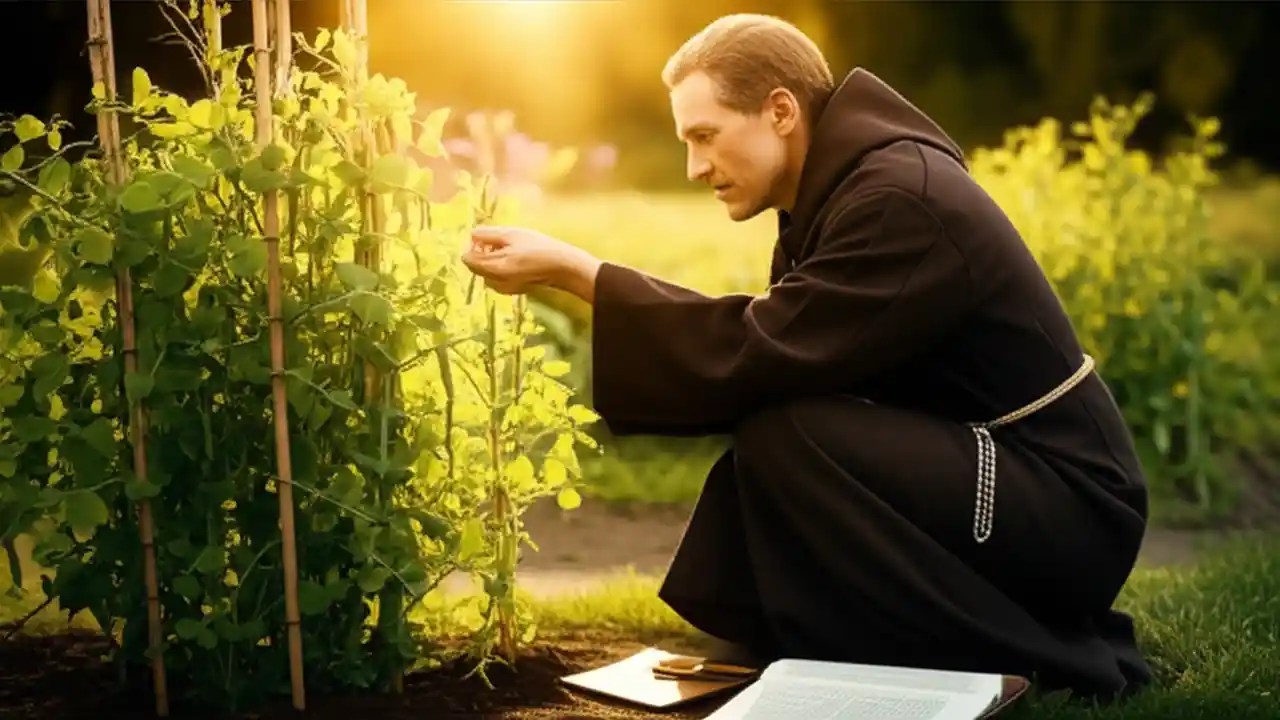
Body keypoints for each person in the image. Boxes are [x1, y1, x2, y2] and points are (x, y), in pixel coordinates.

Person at [461, 13, 1153, 702]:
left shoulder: (897, 199)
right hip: (1015, 475)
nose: (695, 166)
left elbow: (762, 349)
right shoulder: (844, 191)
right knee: (782, 430)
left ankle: (1024, 657)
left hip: (1069, 503)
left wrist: (583, 275)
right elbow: (782, 348)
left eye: (706, 136)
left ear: (781, 111)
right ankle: (795, 647)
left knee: (788, 433)